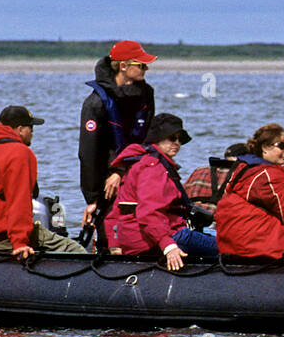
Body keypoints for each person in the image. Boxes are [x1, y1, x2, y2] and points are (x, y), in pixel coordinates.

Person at [0, 106, 85, 258]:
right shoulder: (19, 153)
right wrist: (20, 243)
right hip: (1, 234)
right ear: (20, 129)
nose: (32, 132)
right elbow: (19, 202)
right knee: (75, 250)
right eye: (31, 127)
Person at [106, 113, 217, 270]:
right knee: (231, 247)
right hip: (161, 236)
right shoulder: (153, 168)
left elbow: (117, 211)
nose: (177, 143)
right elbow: (148, 213)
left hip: (133, 238)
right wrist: (168, 246)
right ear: (158, 138)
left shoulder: (137, 163)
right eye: (172, 138)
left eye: (180, 139)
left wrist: (115, 243)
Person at [78, 40, 157, 248]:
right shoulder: (95, 103)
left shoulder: (146, 95)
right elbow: (89, 153)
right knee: (108, 226)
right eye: (141, 65)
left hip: (134, 168)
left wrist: (122, 170)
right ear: (123, 66)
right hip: (105, 178)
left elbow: (148, 138)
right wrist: (92, 198)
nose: (146, 69)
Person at [215, 124, 284, 260]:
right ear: (264, 147)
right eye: (281, 146)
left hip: (229, 240)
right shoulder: (269, 175)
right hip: (252, 241)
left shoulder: (242, 167)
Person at [183, 142, 247, 217]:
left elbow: (182, 196)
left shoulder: (199, 170)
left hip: (191, 218)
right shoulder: (244, 174)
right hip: (220, 221)